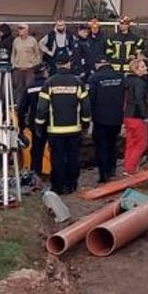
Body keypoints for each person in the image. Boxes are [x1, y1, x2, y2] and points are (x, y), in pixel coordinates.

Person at [36, 54, 91, 194]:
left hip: (55, 130)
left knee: (57, 158)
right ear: (69, 64)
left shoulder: (49, 83)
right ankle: (72, 185)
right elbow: (86, 106)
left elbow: (41, 108)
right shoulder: (78, 82)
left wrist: (39, 126)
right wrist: (85, 124)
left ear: (56, 65)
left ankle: (58, 187)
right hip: (74, 128)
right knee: (73, 157)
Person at [88, 55, 124, 183]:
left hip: (100, 118)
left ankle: (104, 174)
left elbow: (90, 99)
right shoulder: (120, 76)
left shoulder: (94, 78)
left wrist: (88, 117)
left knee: (101, 146)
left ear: (98, 65)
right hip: (117, 117)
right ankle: (112, 169)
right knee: (113, 143)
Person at [16, 63, 49, 176]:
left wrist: (22, 126)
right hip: (52, 122)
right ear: (45, 72)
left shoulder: (30, 87)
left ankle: (35, 175)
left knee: (36, 149)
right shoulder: (50, 85)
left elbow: (21, 109)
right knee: (55, 148)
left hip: (35, 123)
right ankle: (57, 174)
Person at [122, 57, 148, 175]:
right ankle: (131, 168)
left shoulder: (127, 81)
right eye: (143, 66)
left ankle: (127, 166)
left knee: (131, 143)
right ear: (136, 69)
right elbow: (139, 99)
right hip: (136, 116)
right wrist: (145, 115)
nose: (146, 68)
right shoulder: (139, 82)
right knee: (141, 143)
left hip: (127, 115)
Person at [11, 23, 42, 97]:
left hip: (29, 70)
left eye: (22, 28)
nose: (20, 30)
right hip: (18, 69)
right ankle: (19, 106)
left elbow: (38, 54)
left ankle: (29, 106)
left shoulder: (33, 40)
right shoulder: (16, 41)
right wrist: (14, 64)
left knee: (30, 88)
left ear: (27, 30)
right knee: (19, 89)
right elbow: (13, 54)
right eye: (19, 28)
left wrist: (34, 64)